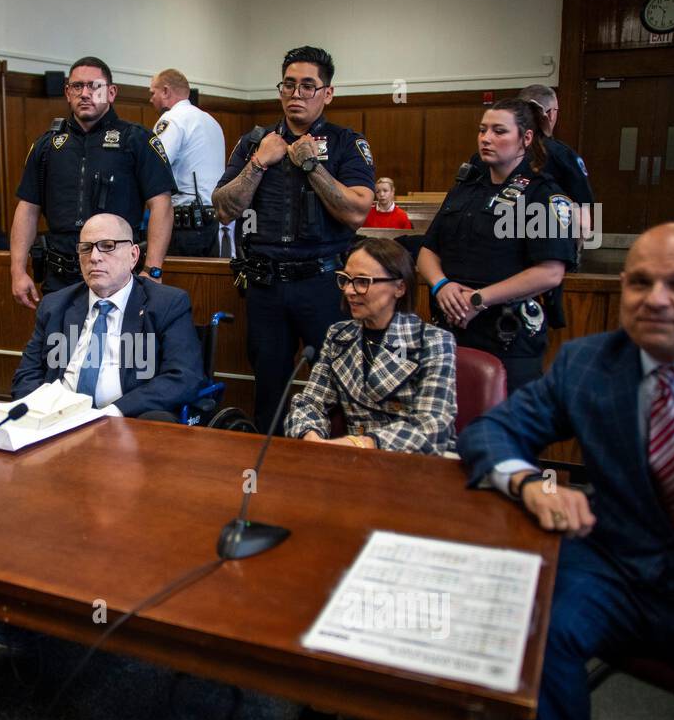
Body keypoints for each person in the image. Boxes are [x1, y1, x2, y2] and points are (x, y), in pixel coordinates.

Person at [458, 223, 674, 720]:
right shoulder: (588, 363)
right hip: (615, 568)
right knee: (531, 628)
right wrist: (529, 484)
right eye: (640, 283)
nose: (656, 300)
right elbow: (490, 432)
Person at [212, 45, 376, 430]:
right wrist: (258, 162)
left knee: (338, 388)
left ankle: (338, 464)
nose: (297, 94)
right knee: (269, 390)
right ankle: (270, 474)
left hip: (323, 285)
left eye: (308, 86)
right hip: (265, 285)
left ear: (327, 94)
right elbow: (223, 208)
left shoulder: (346, 143)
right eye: (289, 85)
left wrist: (311, 166)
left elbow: (356, 211)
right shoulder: (255, 142)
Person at [416, 98, 577, 394]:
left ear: (525, 138)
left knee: (506, 432)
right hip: (450, 329)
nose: (487, 138)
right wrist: (441, 286)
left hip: (507, 337)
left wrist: (478, 299)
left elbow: (550, 273)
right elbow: (428, 251)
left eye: (499, 131)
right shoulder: (464, 190)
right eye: (482, 130)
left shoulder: (542, 194)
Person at [10, 55, 175, 307]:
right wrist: (18, 270)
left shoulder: (136, 140)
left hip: (117, 276)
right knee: (61, 346)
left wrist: (153, 269)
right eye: (77, 86)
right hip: (60, 277)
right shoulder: (47, 146)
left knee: (117, 346)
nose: (85, 93)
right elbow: (28, 208)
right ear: (67, 93)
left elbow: (161, 204)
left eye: (94, 86)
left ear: (111, 92)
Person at [11, 214, 204, 418]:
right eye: (86, 248)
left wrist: (114, 412)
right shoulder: (55, 306)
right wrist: (42, 412)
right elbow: (26, 375)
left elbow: (183, 377)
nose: (94, 257)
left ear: (133, 255)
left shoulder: (167, 304)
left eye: (107, 245)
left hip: (127, 421)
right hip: (58, 421)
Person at [285, 236, 456, 454]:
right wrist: (310, 435)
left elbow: (432, 428)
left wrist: (363, 443)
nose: (348, 290)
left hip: (414, 464)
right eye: (346, 279)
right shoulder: (339, 335)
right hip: (353, 462)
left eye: (363, 281)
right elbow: (309, 402)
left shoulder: (433, 341)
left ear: (400, 287)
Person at [468, 84, 592, 238]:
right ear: (551, 114)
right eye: (483, 130)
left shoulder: (484, 155)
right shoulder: (563, 156)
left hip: (487, 238)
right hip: (543, 243)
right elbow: (582, 222)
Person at [149, 68, 225, 257]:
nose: (150, 99)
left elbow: (155, 165)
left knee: (178, 284)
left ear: (166, 91)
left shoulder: (172, 119)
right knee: (205, 284)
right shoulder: (211, 121)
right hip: (213, 222)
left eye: (153, 93)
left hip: (185, 225)